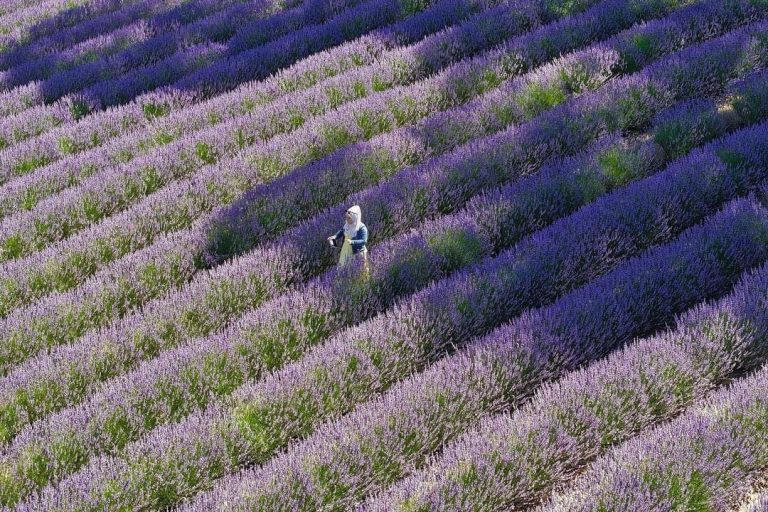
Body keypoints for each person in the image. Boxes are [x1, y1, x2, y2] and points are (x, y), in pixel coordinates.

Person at [328, 205, 368, 269]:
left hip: (357, 251)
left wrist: (352, 242)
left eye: (349, 218)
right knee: (343, 266)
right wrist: (335, 236)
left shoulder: (362, 228)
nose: (347, 219)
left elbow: (364, 241)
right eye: (346, 217)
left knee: (357, 268)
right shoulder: (347, 225)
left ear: (354, 217)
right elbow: (342, 231)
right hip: (346, 249)